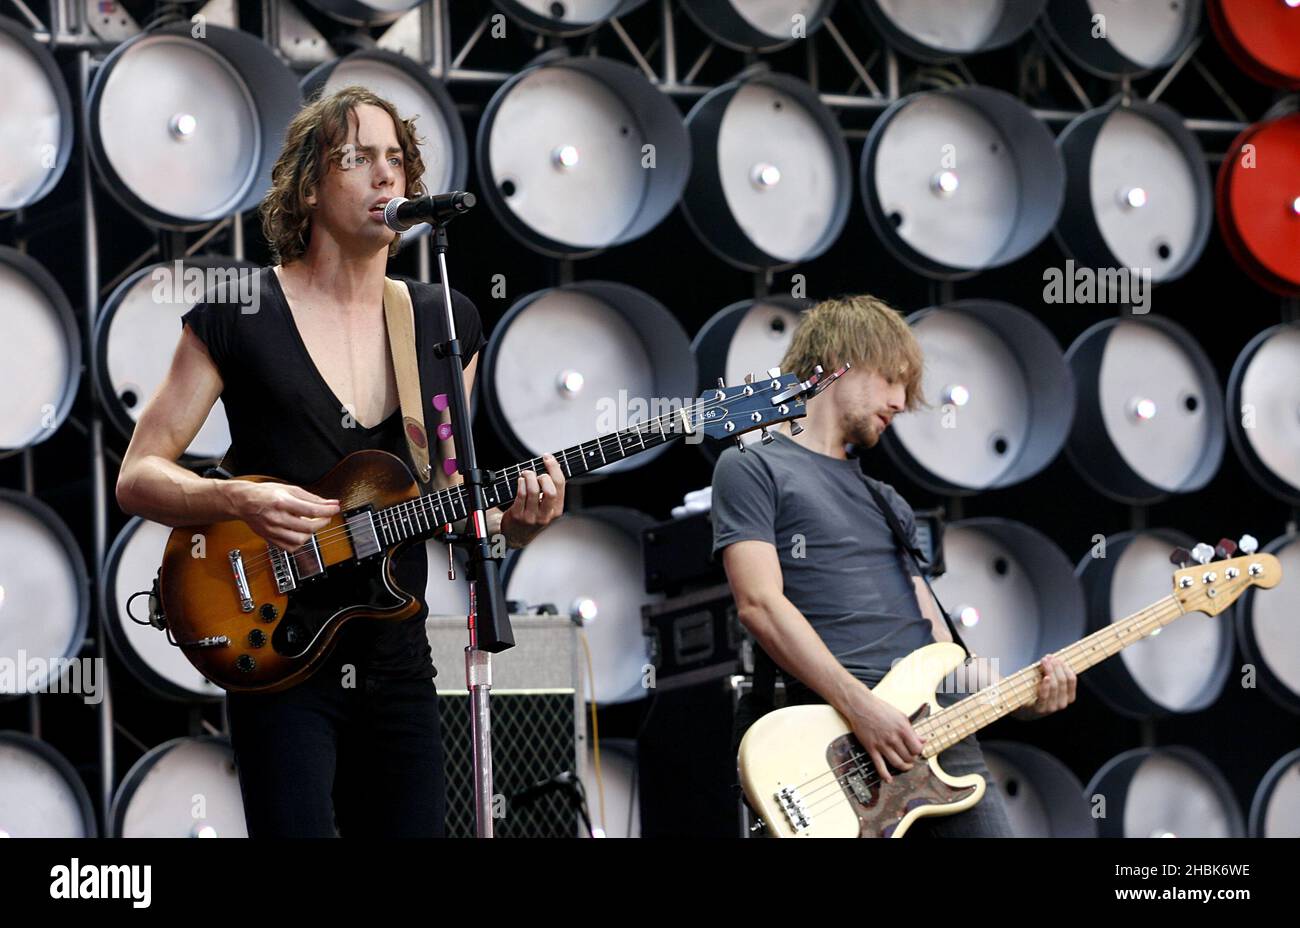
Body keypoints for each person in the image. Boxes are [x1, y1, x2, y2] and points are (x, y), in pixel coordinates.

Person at [115, 86, 567, 837]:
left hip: (395, 653)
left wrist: (516, 527)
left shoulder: (443, 320)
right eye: (358, 159)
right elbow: (139, 476)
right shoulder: (240, 313)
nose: (385, 177)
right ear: (311, 185)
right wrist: (240, 501)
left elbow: (452, 504)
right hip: (277, 641)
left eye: (397, 160)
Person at [711, 294, 1076, 837]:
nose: (903, 403)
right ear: (841, 363)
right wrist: (862, 709)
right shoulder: (752, 463)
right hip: (833, 738)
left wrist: (1024, 696)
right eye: (893, 379)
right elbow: (760, 605)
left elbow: (939, 644)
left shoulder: (886, 500)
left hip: (940, 739)